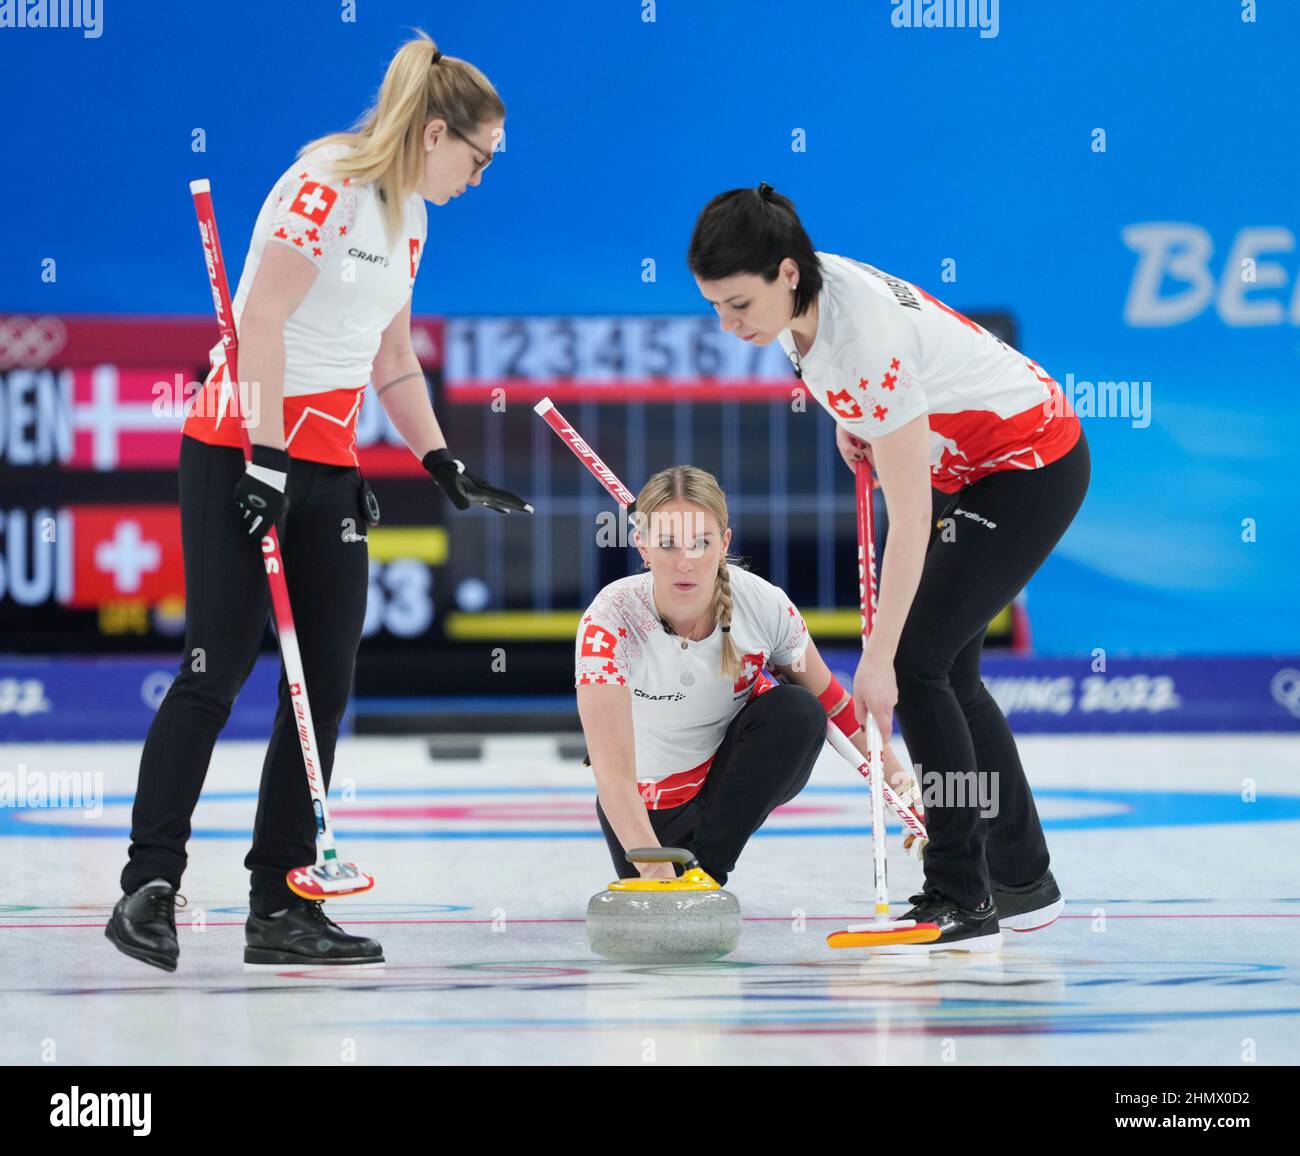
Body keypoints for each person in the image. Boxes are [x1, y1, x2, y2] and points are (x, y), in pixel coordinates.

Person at [106, 32, 529, 972]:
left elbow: (392, 357)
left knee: (321, 689)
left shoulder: (413, 215)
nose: (482, 174)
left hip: (327, 463)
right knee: (215, 670)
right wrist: (260, 457)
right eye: (480, 155)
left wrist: (441, 460)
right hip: (237, 449)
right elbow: (258, 321)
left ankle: (281, 903)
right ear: (432, 132)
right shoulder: (325, 183)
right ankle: (149, 886)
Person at [688, 183, 1090, 950]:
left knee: (917, 660)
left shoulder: (858, 342)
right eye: (715, 307)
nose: (728, 325)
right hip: (968, 461)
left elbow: (912, 519)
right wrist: (860, 423)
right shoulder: (799, 303)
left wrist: (876, 665)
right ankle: (1022, 878)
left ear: (787, 274)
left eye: (738, 304)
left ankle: (959, 893)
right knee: (950, 673)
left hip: (1030, 462)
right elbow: (887, 394)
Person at [576, 465, 921, 886]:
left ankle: (706, 871)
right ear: (642, 546)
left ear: (724, 544)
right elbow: (611, 774)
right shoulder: (610, 620)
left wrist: (903, 792)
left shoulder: (763, 605)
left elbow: (836, 708)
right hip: (644, 814)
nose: (685, 562)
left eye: (700, 543)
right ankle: (682, 873)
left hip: (725, 791)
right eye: (667, 544)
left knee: (798, 710)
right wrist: (655, 870)